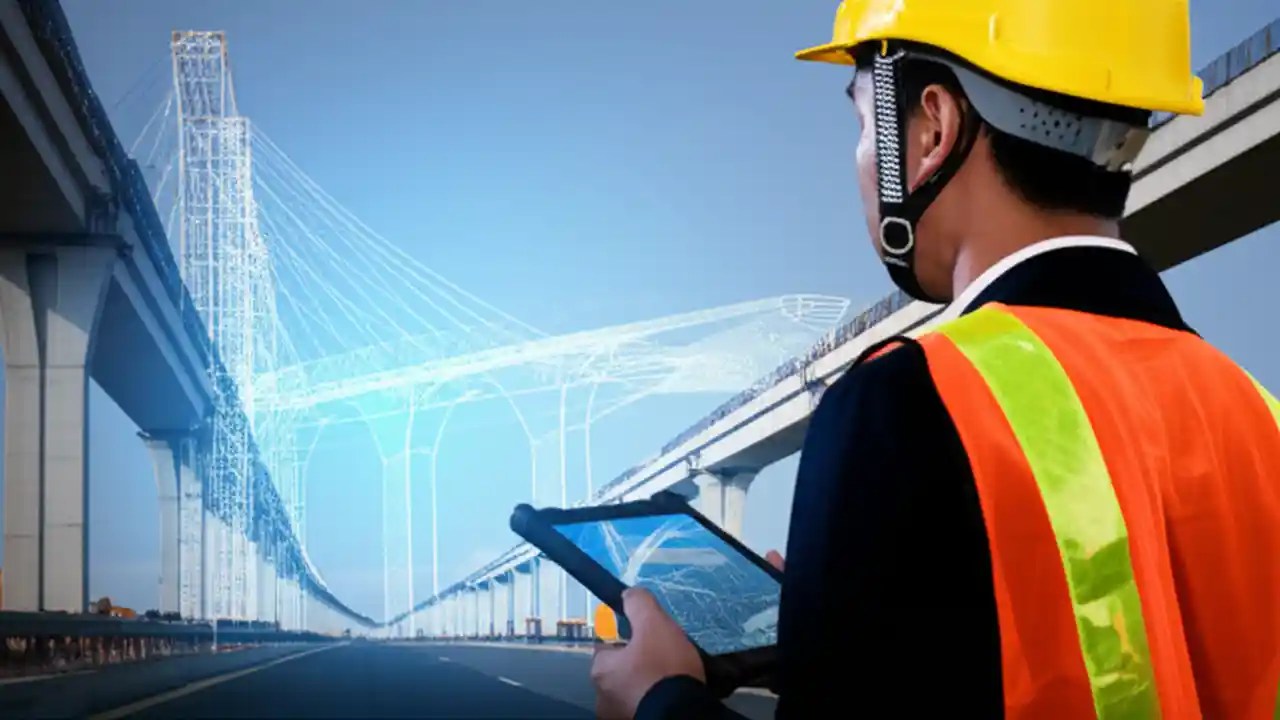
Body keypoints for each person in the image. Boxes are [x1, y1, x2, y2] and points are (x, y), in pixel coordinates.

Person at [590, 1, 1280, 718]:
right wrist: (841, 627)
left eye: (864, 124)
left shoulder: (906, 402)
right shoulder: (1258, 414)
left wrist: (659, 699)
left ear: (932, 129)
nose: (860, 159)